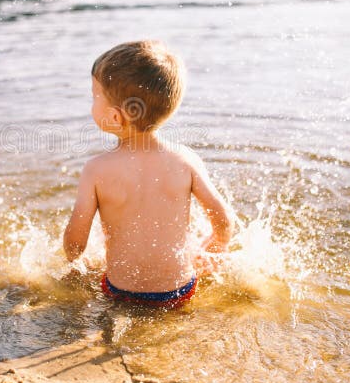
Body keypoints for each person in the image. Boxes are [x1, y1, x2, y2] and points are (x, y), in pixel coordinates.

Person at [63, 40, 235, 308]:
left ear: (117, 117)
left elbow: (76, 239)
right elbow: (223, 220)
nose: (91, 103)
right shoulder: (185, 160)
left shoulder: (96, 169)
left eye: (95, 96)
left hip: (120, 291)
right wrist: (213, 249)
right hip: (180, 290)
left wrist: (75, 265)